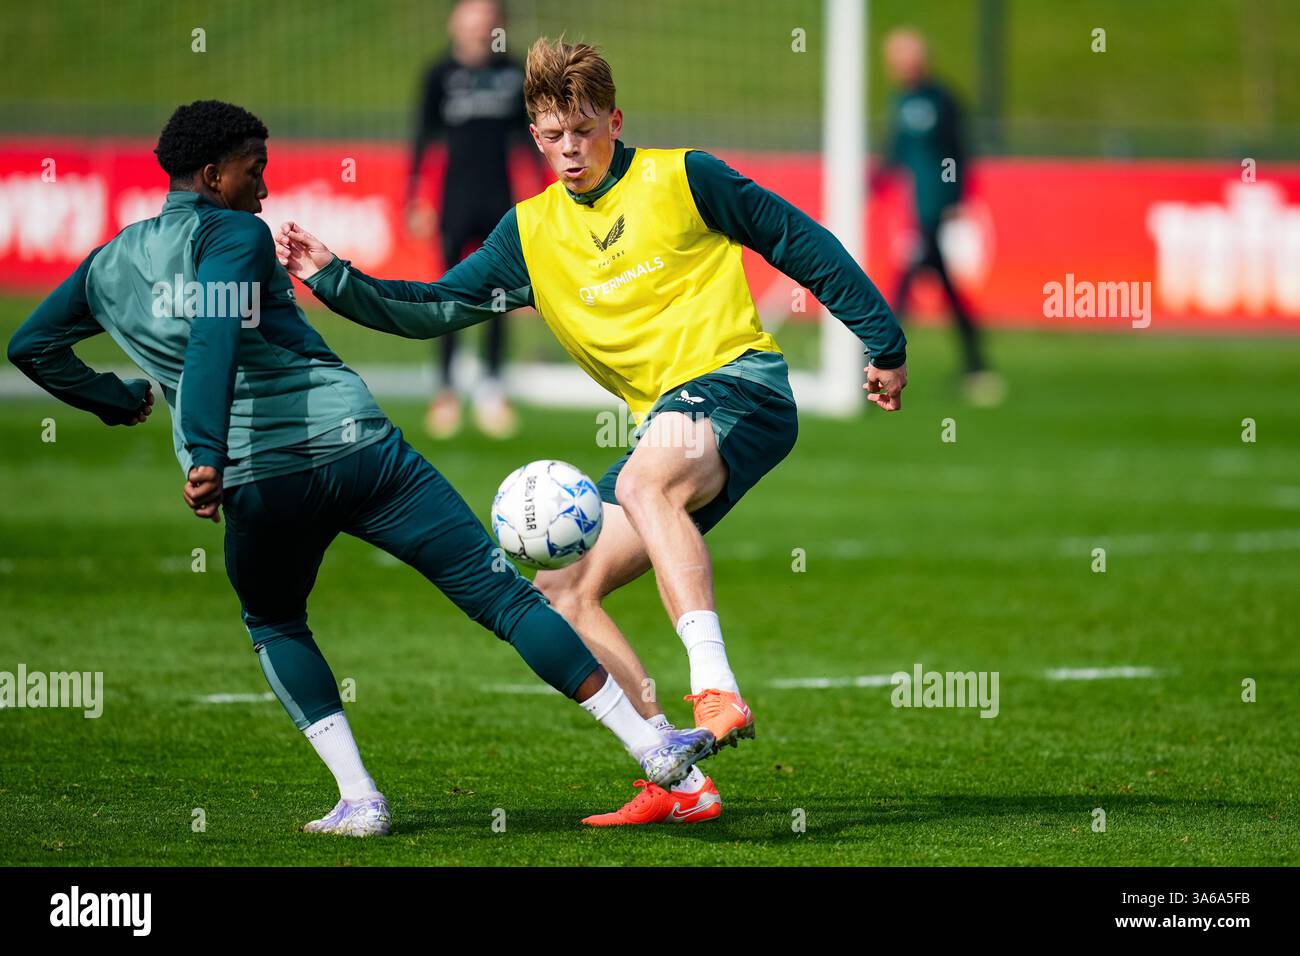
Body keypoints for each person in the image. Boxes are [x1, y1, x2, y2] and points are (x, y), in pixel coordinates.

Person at [6, 99, 713, 837]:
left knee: (275, 620)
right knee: (500, 598)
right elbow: (217, 330)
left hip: (260, 480)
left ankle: (360, 799)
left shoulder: (105, 266)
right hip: (358, 450)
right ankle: (651, 746)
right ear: (214, 176)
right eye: (256, 172)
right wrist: (206, 447)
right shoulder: (235, 233)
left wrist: (116, 401)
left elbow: (32, 346)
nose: (266, 191)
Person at [276, 38, 907, 826]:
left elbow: (798, 241)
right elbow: (431, 308)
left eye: (581, 130)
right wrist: (333, 273)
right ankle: (677, 774)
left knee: (645, 480)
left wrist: (882, 342)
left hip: (741, 388)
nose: (568, 150)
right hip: (669, 424)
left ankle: (715, 690)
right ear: (533, 134)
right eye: (549, 135)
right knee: (560, 592)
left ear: (614, 119)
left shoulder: (685, 177)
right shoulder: (530, 234)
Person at [407, 0, 534, 439]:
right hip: (453, 200)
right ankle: (444, 390)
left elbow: (532, 141)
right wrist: (414, 197)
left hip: (500, 202)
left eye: (487, 20)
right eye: (471, 18)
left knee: (500, 295)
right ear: (455, 23)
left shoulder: (514, 73)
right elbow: (422, 138)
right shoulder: (439, 74)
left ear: (498, 25)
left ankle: (492, 389)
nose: (480, 28)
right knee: (449, 293)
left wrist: (544, 195)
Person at [880, 27, 1003, 406]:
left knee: (902, 288)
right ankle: (977, 367)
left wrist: (953, 197)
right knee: (944, 290)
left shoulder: (942, 99)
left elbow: (957, 151)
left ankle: (878, 362)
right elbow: (895, 153)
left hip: (935, 209)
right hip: (916, 210)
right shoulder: (900, 102)